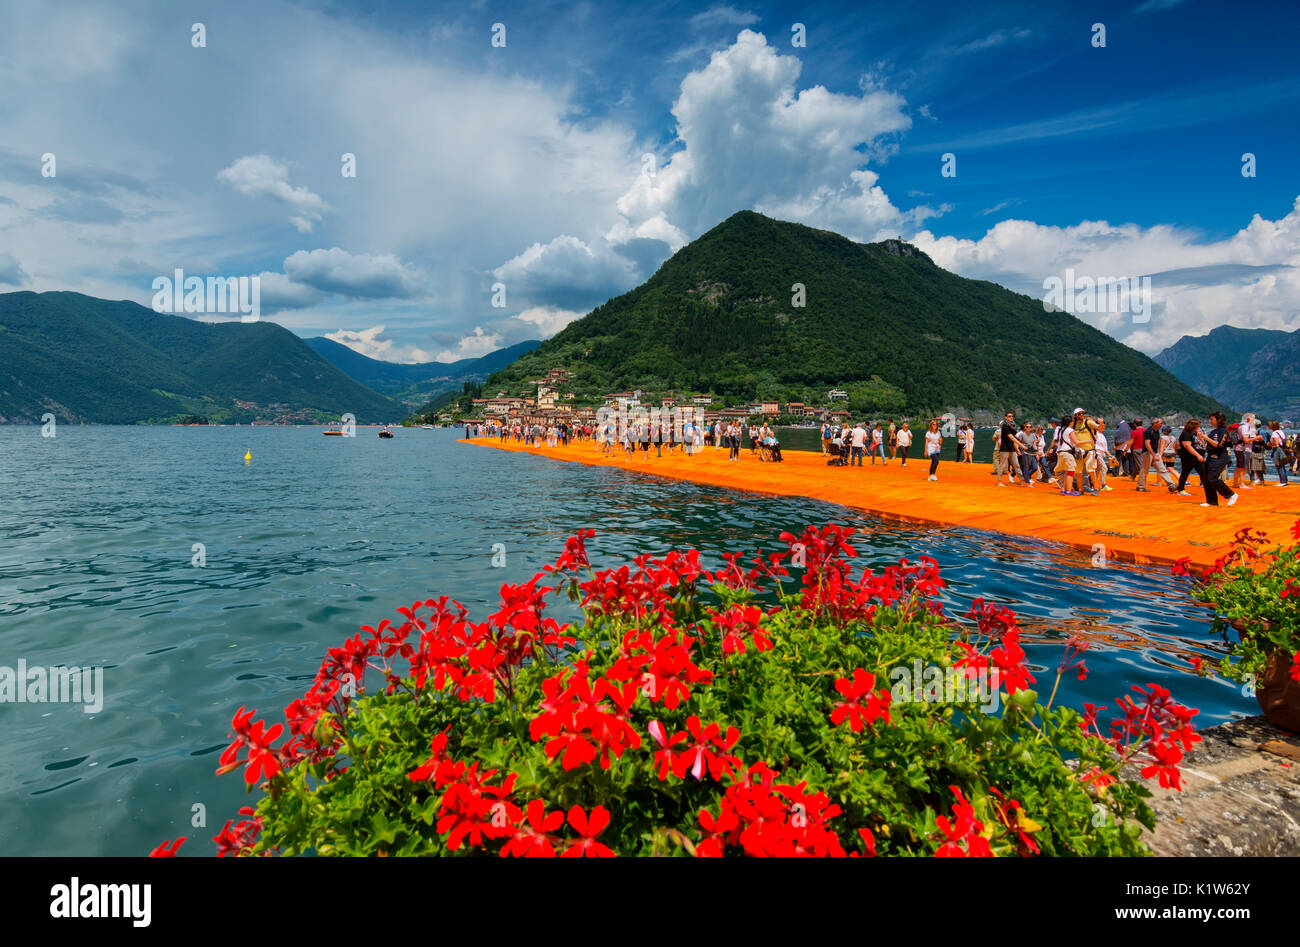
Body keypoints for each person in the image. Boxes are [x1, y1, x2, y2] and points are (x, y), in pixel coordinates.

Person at [1200, 412, 1237, 507]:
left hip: (1220, 456)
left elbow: (1219, 445)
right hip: (1210, 455)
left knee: (1212, 477)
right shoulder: (1213, 431)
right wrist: (1202, 439)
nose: (1210, 421)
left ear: (1219, 420)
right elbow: (1208, 445)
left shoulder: (1223, 431)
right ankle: (1211, 501)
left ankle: (1231, 494)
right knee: (1205, 479)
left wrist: (1206, 438)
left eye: (1212, 419)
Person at [1137, 416, 1178, 493]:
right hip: (1147, 453)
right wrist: (1154, 455)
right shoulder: (1148, 431)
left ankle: (1171, 485)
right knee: (1145, 470)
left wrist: (1158, 454)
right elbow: (1147, 444)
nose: (1162, 424)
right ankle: (1141, 486)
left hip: (1155, 453)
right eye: (1160, 423)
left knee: (1162, 469)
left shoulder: (1156, 431)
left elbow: (1156, 444)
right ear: (1155, 423)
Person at [1176, 419, 1205, 495]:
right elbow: (1187, 446)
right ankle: (1181, 489)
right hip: (1189, 457)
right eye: (1198, 426)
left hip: (1195, 456)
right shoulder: (1186, 433)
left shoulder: (1194, 433)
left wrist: (1201, 437)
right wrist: (1198, 455)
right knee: (1187, 472)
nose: (1199, 427)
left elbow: (1201, 443)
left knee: (1202, 472)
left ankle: (1180, 488)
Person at [996, 411, 1020, 486]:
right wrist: (1021, 445)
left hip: (1012, 448)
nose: (1011, 417)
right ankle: (999, 482)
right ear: (1006, 417)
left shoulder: (1013, 426)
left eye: (1012, 416)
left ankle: (1022, 481)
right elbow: (1011, 437)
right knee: (1002, 465)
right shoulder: (1005, 426)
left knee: (1016, 465)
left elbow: (1016, 436)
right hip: (1004, 448)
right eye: (1009, 416)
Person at [1268, 420, 1289, 486]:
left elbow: (1276, 443)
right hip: (1283, 449)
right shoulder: (1282, 432)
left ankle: (1282, 482)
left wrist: (1269, 444)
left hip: (1277, 450)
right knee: (1282, 465)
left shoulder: (1274, 433)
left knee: (1279, 465)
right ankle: (1285, 481)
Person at [1016, 421, 1037, 488]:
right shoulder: (1022, 434)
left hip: (1031, 451)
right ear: (1025, 427)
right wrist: (1018, 450)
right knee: (1026, 466)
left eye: (1030, 427)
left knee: (1035, 467)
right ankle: (1027, 482)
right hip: (1024, 451)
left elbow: (1034, 444)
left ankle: (1025, 476)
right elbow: (1016, 443)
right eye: (1027, 427)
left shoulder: (1033, 435)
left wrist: (1037, 452)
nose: (1028, 428)